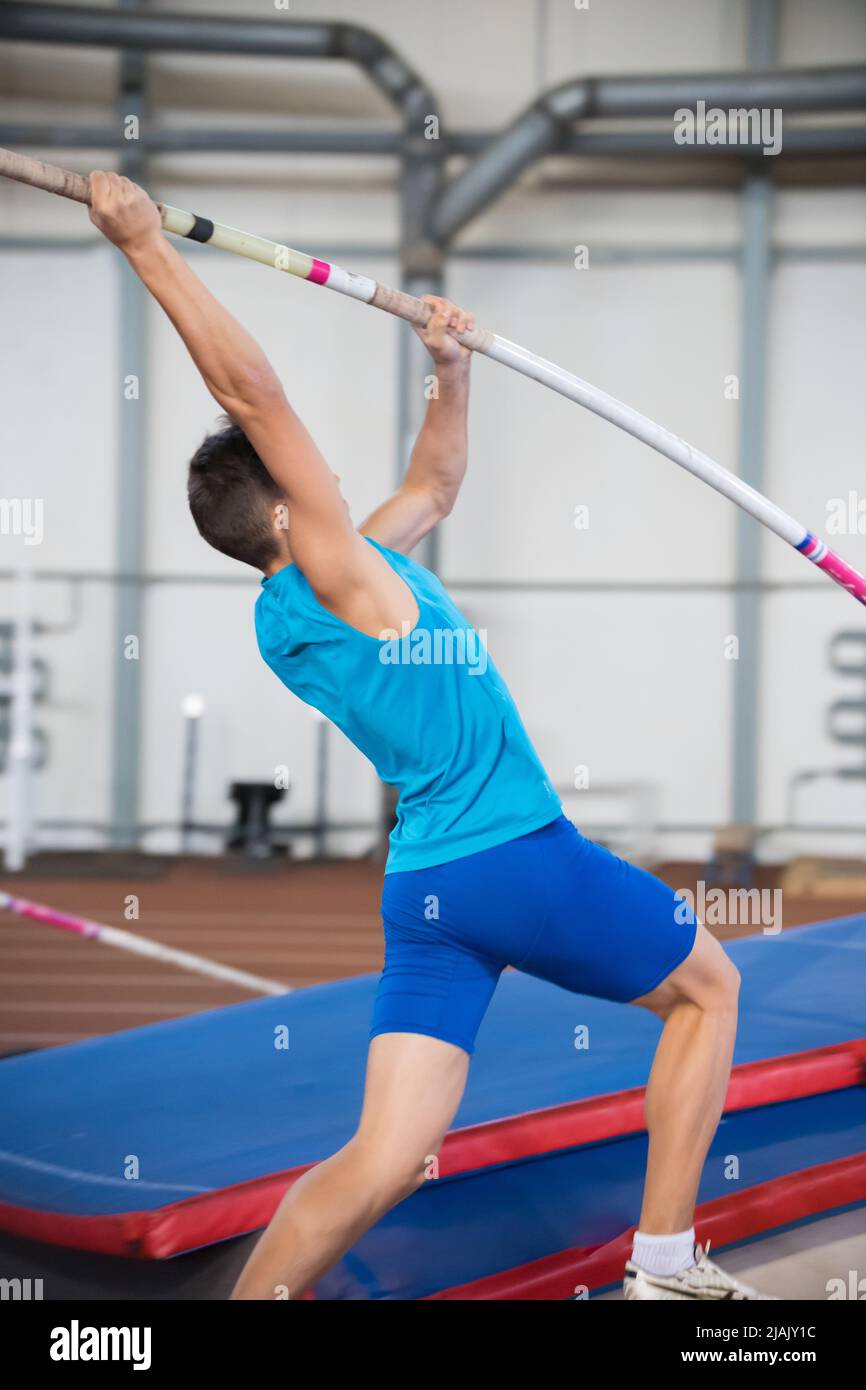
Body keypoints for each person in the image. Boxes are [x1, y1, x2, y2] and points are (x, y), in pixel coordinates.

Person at [88, 170, 773, 1302]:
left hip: (430, 889)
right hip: (513, 854)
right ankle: (659, 1266)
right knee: (709, 989)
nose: (334, 483)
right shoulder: (336, 573)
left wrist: (447, 370)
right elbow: (254, 392)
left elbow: (435, 483)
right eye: (310, 483)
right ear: (278, 515)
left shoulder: (325, 596)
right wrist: (143, 246)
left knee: (388, 1155)